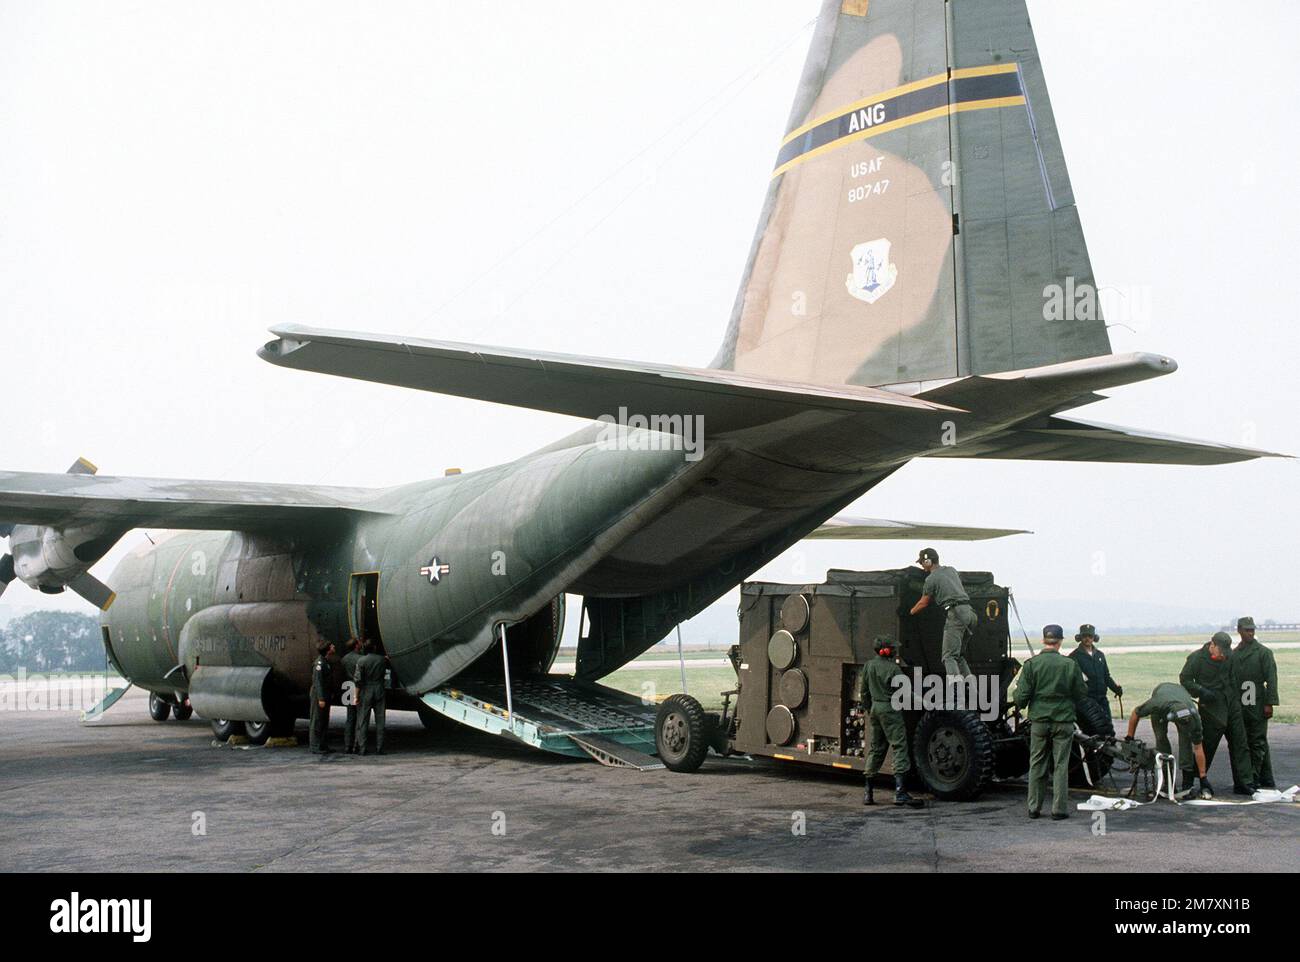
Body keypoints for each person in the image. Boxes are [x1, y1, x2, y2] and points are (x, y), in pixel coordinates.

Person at [1014, 625, 1087, 820]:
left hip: (1039, 721)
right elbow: (1081, 693)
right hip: (1063, 721)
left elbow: (1021, 698)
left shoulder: (1031, 665)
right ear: (1060, 641)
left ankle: (1034, 808)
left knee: (1037, 763)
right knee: (1061, 765)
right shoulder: (1069, 664)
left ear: (1043, 640)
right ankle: (1059, 809)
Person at [1179, 632, 1255, 795]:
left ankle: (1243, 782)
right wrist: (1201, 691)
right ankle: (1191, 781)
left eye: (1224, 654)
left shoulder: (1229, 657)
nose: (1221, 657)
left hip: (1231, 703)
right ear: (1212, 645)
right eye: (1219, 653)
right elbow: (1185, 679)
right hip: (1211, 706)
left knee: (1240, 743)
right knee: (1207, 745)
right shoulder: (1197, 658)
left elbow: (1234, 678)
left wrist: (1236, 701)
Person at [857, 635, 916, 807]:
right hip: (890, 710)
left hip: (875, 709)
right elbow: (906, 692)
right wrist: (927, 701)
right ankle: (900, 792)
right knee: (899, 747)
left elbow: (864, 693)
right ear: (886, 650)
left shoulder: (868, 666)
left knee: (876, 748)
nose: (895, 650)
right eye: (893, 648)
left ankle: (868, 794)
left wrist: (870, 709)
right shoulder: (893, 669)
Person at [1127, 682, 1213, 800]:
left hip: (1180, 696)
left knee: (1186, 740)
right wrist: (1129, 737)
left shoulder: (1194, 718)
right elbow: (1136, 713)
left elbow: (1198, 748)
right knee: (1161, 738)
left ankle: (1187, 785)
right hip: (1162, 697)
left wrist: (1203, 777)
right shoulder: (1156, 704)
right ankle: (1167, 783)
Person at [908, 548, 976, 682]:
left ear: (928, 561)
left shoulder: (931, 579)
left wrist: (910, 612)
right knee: (959, 656)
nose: (921, 565)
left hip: (957, 615)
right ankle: (971, 687)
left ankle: (956, 691)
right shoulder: (951, 570)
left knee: (948, 657)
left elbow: (923, 603)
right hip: (970, 613)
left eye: (922, 562)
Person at [1232, 617, 1279, 789]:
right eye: (1247, 630)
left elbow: (1272, 680)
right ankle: (1266, 778)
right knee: (1249, 740)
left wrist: (1270, 703)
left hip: (1258, 702)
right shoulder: (1234, 654)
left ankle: (1253, 778)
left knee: (1257, 740)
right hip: (1241, 703)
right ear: (1239, 630)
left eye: (1252, 629)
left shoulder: (1263, 653)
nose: (1251, 633)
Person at [1067, 624, 1122, 718]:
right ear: (1080, 638)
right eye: (1084, 636)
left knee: (1108, 727)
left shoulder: (1100, 655)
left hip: (1102, 699)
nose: (1087, 639)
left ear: (1094, 638)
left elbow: (1106, 676)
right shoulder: (1074, 656)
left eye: (1090, 636)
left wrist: (1115, 689)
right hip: (1086, 700)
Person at [354, 639, 388, 756]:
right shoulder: (382, 660)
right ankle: (380, 748)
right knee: (380, 720)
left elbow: (358, 680)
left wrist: (356, 696)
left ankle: (362, 748)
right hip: (379, 689)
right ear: (374, 648)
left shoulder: (361, 661)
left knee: (363, 720)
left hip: (366, 690)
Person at [309, 640, 336, 755]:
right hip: (319, 695)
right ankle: (315, 746)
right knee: (317, 721)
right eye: (332, 646)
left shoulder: (326, 661)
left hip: (325, 694)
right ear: (328, 649)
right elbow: (318, 682)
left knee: (324, 720)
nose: (334, 647)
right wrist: (320, 698)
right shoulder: (319, 664)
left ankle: (323, 745)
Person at [341, 637, 363, 755]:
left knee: (350, 718)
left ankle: (347, 745)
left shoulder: (344, 659)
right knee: (359, 718)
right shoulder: (360, 659)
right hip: (357, 688)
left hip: (347, 687)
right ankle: (357, 745)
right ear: (356, 646)